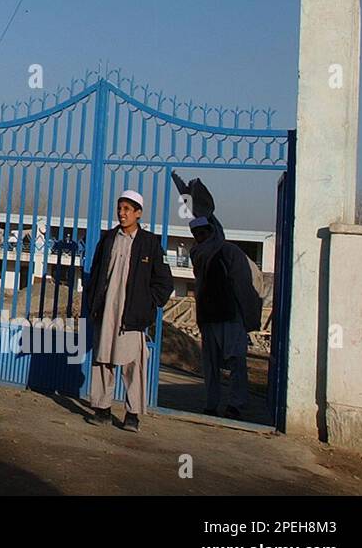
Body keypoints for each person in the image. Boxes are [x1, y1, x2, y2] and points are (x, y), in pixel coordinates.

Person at [174, 172, 262, 419]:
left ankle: (236, 404)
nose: (200, 238)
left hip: (230, 317)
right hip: (210, 317)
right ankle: (211, 403)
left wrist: (247, 317)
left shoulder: (229, 252)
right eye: (197, 235)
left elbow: (244, 286)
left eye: (204, 233)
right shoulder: (198, 256)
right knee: (211, 365)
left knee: (236, 363)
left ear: (211, 231)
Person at [84, 190, 173, 433]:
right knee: (103, 361)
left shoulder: (150, 243)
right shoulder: (108, 239)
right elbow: (96, 272)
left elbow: (164, 281)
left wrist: (148, 304)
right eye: (119, 208)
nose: (122, 214)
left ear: (138, 213)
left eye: (127, 209)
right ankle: (102, 409)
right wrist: (93, 300)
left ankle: (132, 415)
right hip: (106, 312)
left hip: (133, 316)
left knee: (133, 365)